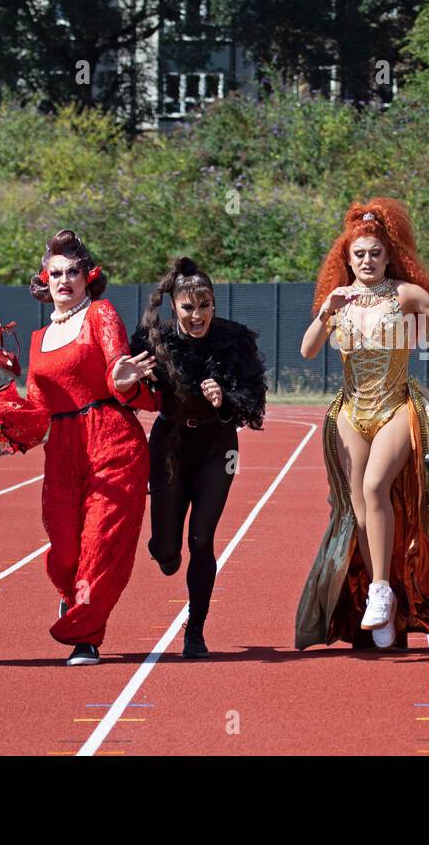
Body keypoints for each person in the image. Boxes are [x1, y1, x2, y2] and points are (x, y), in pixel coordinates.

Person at [0, 229, 156, 665]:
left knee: (99, 542)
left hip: (113, 440)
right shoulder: (37, 340)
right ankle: (74, 597)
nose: (64, 280)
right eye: (56, 273)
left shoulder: (102, 315)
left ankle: (85, 635)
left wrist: (123, 379)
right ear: (44, 282)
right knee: (64, 544)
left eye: (73, 272)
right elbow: (36, 415)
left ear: (88, 277)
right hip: (64, 449)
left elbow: (116, 370)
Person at [294, 197, 429, 651]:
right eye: (359, 254)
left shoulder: (402, 294)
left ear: (389, 256)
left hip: (396, 405)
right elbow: (307, 351)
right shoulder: (339, 302)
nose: (367, 260)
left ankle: (380, 592)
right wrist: (326, 310)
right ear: (346, 259)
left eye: (375, 253)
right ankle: (381, 594)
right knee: (357, 508)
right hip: (351, 411)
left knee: (375, 489)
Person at [129, 257, 267, 659]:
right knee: (168, 550)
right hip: (169, 445)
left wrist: (224, 399)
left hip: (216, 447)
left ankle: (196, 630)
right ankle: (164, 550)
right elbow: (121, 384)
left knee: (202, 540)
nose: (197, 315)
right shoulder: (151, 340)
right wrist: (130, 379)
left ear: (213, 304)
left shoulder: (233, 339)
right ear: (174, 306)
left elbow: (253, 403)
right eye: (188, 307)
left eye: (204, 305)